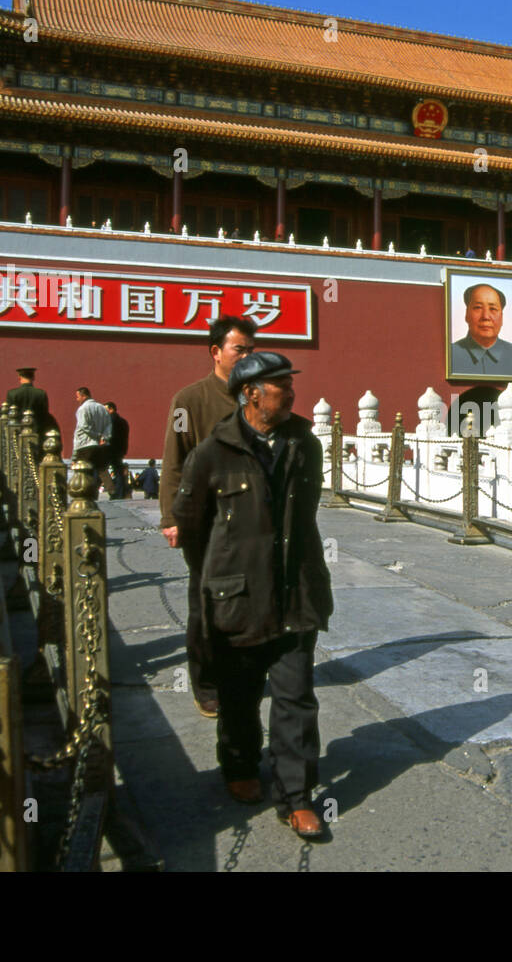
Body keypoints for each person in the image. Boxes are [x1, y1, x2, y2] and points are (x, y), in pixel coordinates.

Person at [172, 351, 332, 837]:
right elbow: (192, 529)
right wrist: (222, 577)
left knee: (296, 698)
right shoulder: (211, 453)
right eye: (281, 385)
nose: (292, 392)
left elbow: (307, 509)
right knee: (240, 697)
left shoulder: (304, 442)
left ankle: (296, 795)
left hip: (295, 590)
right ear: (251, 394)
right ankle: (240, 767)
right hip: (236, 597)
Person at [160, 316, 257, 718]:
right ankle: (206, 684)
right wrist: (171, 516)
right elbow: (174, 461)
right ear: (216, 352)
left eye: (252, 349)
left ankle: (241, 672)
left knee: (250, 599)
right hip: (206, 521)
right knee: (206, 602)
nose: (248, 356)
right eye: (240, 349)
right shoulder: (190, 400)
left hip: (251, 520)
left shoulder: (256, 395)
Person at [449, 283, 512, 377]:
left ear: (502, 317)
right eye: (478, 307)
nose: (486, 316)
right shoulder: (450, 354)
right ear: (467, 314)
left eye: (493, 309)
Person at [71, 386, 111, 483]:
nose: (77, 399)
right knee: (102, 469)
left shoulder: (82, 409)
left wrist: (96, 436)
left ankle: (85, 491)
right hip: (99, 445)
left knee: (83, 469)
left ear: (83, 396)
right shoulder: (102, 408)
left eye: (78, 397)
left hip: (85, 444)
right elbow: (108, 425)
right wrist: (104, 437)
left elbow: (84, 426)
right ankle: (112, 491)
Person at [6, 366, 53, 435]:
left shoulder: (12, 394)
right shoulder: (41, 394)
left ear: (19, 378)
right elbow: (44, 415)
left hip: (17, 432)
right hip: (36, 431)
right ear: (33, 377)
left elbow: (9, 415)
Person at [104, 401, 130, 497]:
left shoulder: (109, 421)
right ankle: (120, 492)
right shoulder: (124, 422)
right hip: (120, 450)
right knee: (118, 472)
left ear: (111, 409)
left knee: (101, 469)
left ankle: (112, 491)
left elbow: (108, 435)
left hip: (109, 450)